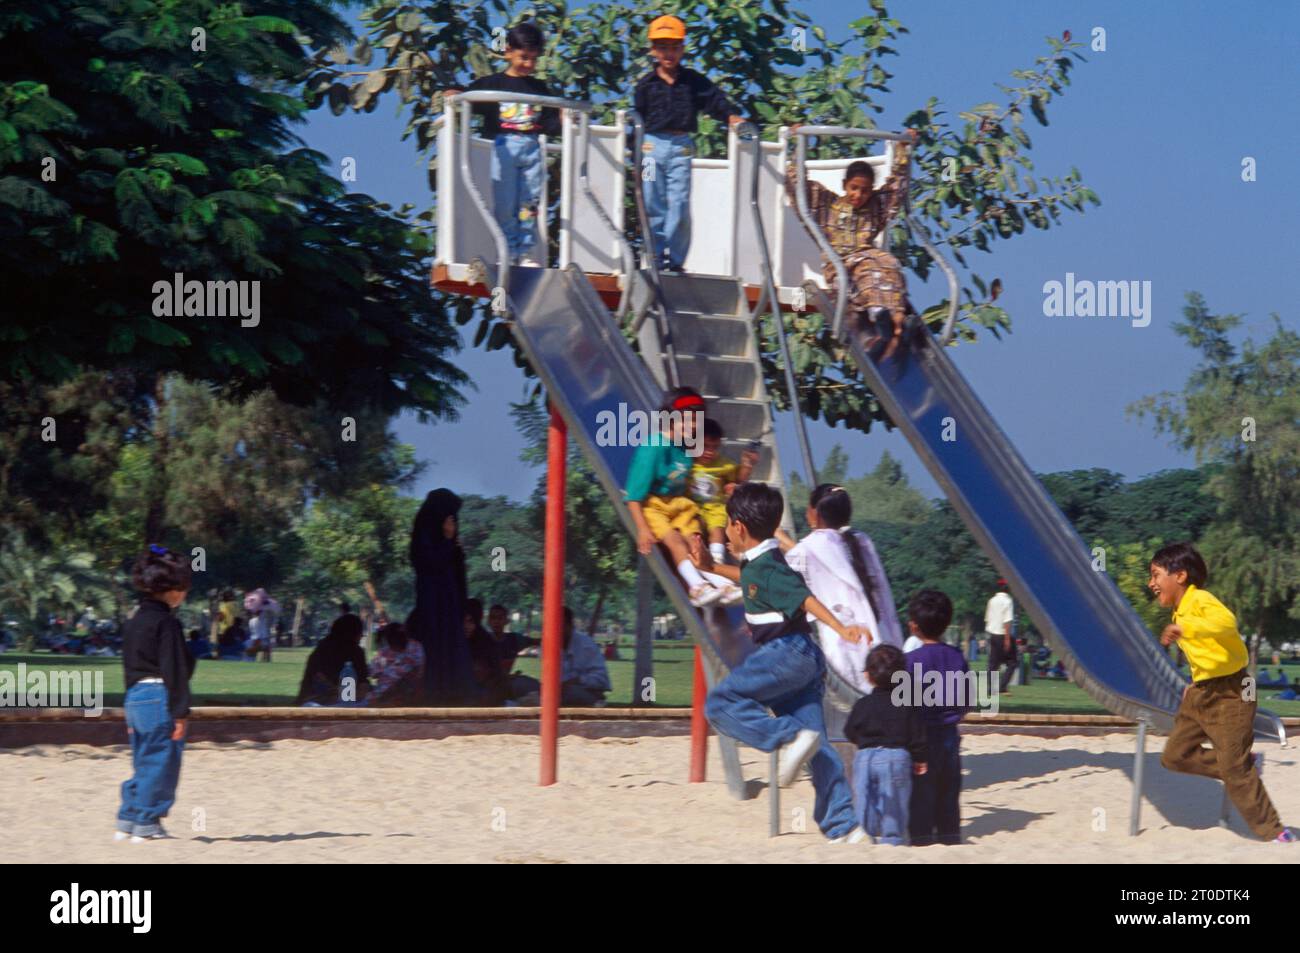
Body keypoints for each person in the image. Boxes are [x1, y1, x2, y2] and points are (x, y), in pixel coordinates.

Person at [695, 482, 871, 843]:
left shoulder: (774, 568)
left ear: (739, 528)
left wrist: (841, 628)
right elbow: (746, 579)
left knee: (720, 704)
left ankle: (788, 738)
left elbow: (806, 598)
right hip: (802, 665)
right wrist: (711, 565)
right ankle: (844, 825)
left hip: (788, 654)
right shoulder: (760, 562)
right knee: (818, 747)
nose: (726, 531)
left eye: (727, 524)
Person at [1149, 542, 1293, 843]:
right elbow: (1209, 655)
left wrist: (1186, 630)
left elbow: (1226, 623)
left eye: (1156, 574)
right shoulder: (1178, 613)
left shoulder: (1199, 599)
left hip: (1235, 691)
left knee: (1234, 768)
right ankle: (1240, 764)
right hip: (1200, 693)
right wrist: (1196, 679)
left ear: (1180, 576)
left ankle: (1276, 832)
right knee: (1175, 756)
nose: (1151, 583)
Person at [785, 127, 917, 343]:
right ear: (845, 185)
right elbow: (796, 184)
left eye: (865, 191)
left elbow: (897, 185)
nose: (858, 195)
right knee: (865, 274)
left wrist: (904, 148)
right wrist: (800, 143)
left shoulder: (875, 206)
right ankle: (878, 317)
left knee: (887, 263)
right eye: (854, 188)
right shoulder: (827, 205)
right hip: (840, 264)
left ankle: (899, 319)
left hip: (867, 257)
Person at [633, 14, 744, 272]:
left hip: (680, 146)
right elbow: (636, 117)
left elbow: (713, 100)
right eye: (662, 47)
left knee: (680, 203)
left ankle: (677, 260)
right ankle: (655, 258)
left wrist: (729, 116)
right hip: (650, 147)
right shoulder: (646, 85)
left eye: (674, 47)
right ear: (653, 50)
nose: (668, 53)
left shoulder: (692, 81)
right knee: (651, 201)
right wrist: (634, 153)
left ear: (682, 49)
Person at [445, 22, 560, 266]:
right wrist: (455, 94)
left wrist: (561, 118)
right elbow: (472, 97)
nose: (529, 64)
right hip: (504, 148)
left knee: (529, 204)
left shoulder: (538, 88)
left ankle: (527, 251)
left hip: (532, 148)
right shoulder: (494, 84)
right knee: (506, 204)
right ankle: (508, 251)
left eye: (534, 59)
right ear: (508, 52)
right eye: (524, 57)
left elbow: (550, 121)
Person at [777, 483, 904, 694]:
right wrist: (786, 541)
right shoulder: (861, 540)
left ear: (815, 513)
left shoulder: (810, 548)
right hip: (881, 636)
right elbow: (822, 558)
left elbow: (794, 568)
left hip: (845, 640)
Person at [624, 386, 738, 607]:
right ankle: (697, 587)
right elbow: (634, 496)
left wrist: (727, 484)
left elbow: (705, 472)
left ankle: (721, 583)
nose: (694, 426)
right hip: (653, 505)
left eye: (697, 421)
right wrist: (643, 529)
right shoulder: (654, 446)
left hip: (680, 505)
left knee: (694, 541)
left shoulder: (687, 446)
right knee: (677, 542)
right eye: (688, 420)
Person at [116, 544, 194, 842]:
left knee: (143, 760)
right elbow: (174, 668)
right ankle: (148, 822)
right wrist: (181, 712)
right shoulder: (167, 623)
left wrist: (128, 708)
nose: (184, 595)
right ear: (172, 590)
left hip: (135, 697)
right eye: (184, 588)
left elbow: (128, 665)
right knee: (162, 760)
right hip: (159, 696)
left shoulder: (134, 622)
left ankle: (128, 818)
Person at [904, 589, 972, 846]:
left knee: (921, 792)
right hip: (949, 735)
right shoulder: (957, 657)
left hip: (921, 736)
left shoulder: (910, 660)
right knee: (948, 790)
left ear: (914, 626)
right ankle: (949, 836)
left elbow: (904, 705)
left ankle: (921, 838)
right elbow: (966, 701)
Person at [844, 644, 927, 845]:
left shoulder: (862, 704)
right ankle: (892, 838)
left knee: (864, 799)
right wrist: (919, 758)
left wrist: (863, 741)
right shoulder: (907, 703)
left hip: (865, 757)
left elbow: (849, 731)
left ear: (868, 676)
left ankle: (865, 834)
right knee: (895, 804)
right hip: (896, 756)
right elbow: (916, 733)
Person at [407, 488, 476, 705]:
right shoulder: (422, 541)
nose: (452, 521)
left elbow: (460, 580)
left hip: (452, 612)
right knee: (438, 658)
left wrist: (465, 612)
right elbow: (431, 565)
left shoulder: (453, 545)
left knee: (456, 658)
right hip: (433, 609)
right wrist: (446, 541)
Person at [689, 418, 758, 566]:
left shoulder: (722, 464)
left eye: (714, 448)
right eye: (704, 446)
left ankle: (716, 559)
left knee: (717, 528)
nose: (709, 452)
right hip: (693, 507)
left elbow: (739, 479)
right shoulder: (686, 462)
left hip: (715, 507)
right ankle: (697, 553)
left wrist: (747, 464)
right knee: (693, 526)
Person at [297, 613, 370, 706]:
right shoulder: (323, 651)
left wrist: (361, 689)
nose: (362, 635)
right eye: (360, 632)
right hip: (320, 701)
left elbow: (363, 682)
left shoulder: (357, 652)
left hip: (346, 700)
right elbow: (320, 681)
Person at [486, 603, 541, 700]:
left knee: (537, 686)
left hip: (509, 682)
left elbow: (536, 641)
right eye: (493, 618)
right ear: (488, 621)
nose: (496, 622)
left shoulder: (514, 640)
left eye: (500, 618)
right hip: (489, 684)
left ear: (506, 621)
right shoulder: (483, 640)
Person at [560, 607, 612, 706]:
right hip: (557, 695)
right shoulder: (548, 645)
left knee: (571, 692)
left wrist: (578, 680)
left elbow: (602, 680)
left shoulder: (586, 645)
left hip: (585, 693)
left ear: (569, 626)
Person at [368, 622, 425, 707]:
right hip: (383, 694)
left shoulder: (415, 648)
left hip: (405, 692)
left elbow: (419, 675)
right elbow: (373, 673)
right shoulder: (384, 652)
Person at [984, 578, 1016, 695]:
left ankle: (990, 688)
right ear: (1007, 588)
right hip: (1003, 634)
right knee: (1012, 662)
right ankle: (1003, 687)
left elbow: (988, 619)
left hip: (992, 634)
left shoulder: (991, 601)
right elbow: (1007, 621)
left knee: (993, 662)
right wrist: (1007, 639)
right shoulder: (1008, 601)